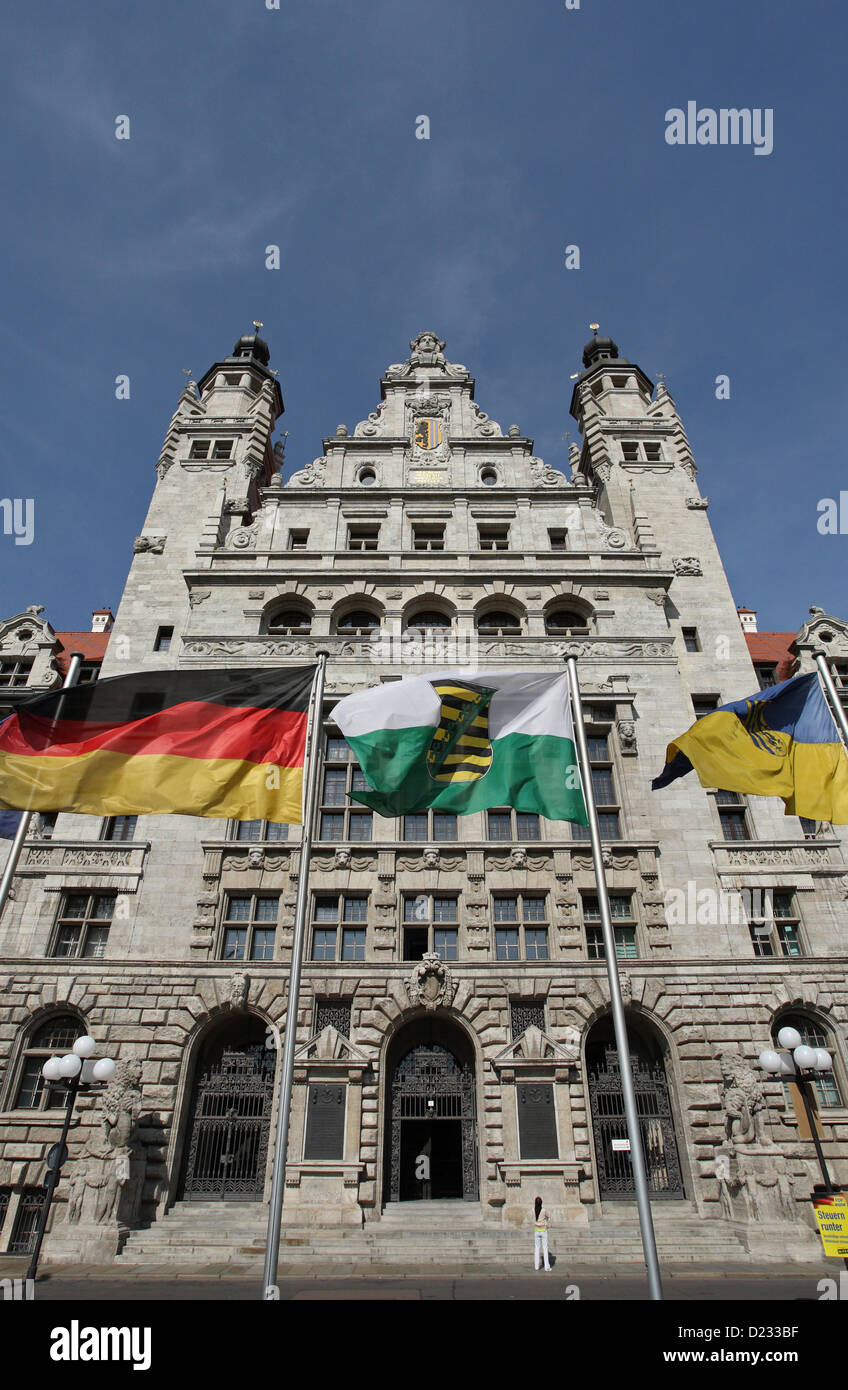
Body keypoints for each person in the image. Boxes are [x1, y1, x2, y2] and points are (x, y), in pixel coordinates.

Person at [533, 1195, 551, 1271]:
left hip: (536, 1230)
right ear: (541, 1203)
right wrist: (546, 1223)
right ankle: (547, 1267)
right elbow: (549, 1217)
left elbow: (533, 1220)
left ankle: (536, 1267)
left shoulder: (533, 1210)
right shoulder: (544, 1210)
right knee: (545, 1248)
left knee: (537, 1249)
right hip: (543, 1230)